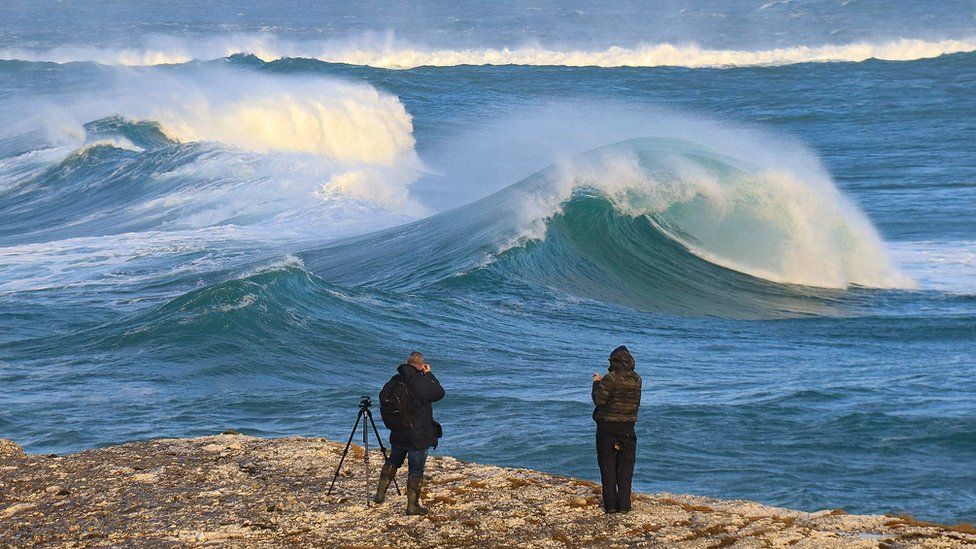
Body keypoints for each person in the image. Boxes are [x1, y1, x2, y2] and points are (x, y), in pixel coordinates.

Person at [374, 351, 445, 515]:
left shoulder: (395, 380)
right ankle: (412, 506)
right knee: (416, 471)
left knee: (393, 461)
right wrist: (429, 374)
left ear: (406, 363)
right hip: (417, 435)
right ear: (421, 366)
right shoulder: (421, 380)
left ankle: (380, 494)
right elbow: (439, 393)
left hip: (398, 431)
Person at [591, 345, 642, 514]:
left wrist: (596, 383)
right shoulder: (637, 379)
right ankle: (625, 505)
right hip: (628, 428)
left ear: (614, 361)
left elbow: (599, 400)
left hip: (607, 428)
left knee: (608, 467)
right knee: (626, 469)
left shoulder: (610, 378)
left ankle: (611, 506)